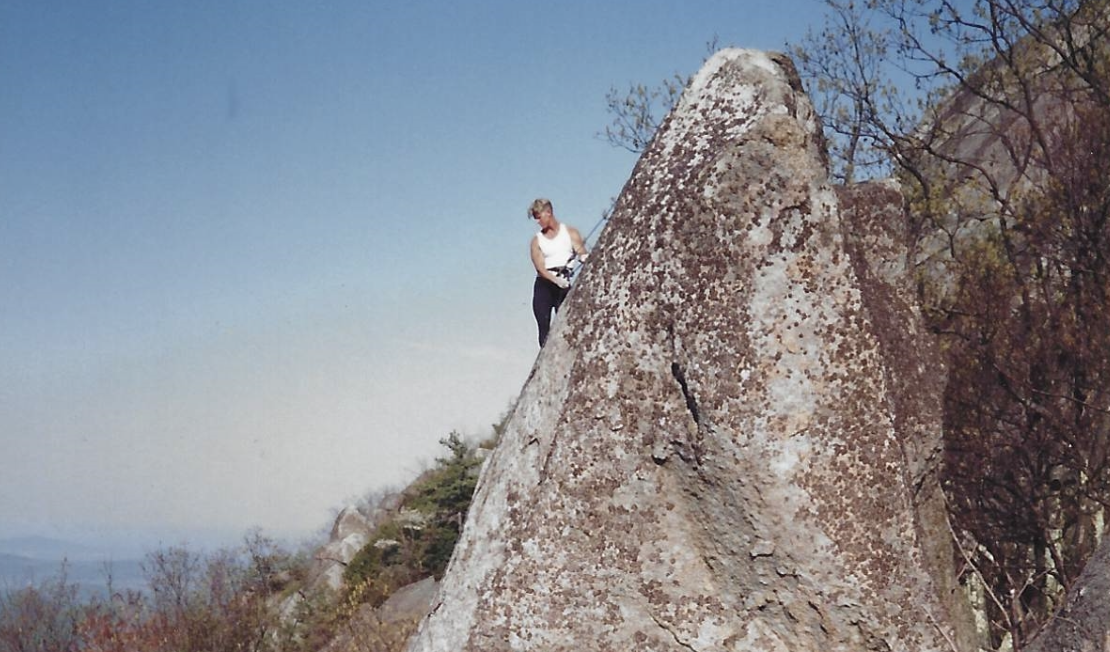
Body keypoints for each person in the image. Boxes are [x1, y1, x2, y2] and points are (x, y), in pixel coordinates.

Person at [528, 198, 588, 347]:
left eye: (538, 217)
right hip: (545, 284)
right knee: (544, 325)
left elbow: (581, 251)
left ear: (548, 213)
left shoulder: (570, 233)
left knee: (568, 321)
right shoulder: (537, 241)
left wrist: (583, 257)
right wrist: (555, 280)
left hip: (564, 281)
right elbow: (540, 268)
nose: (537, 221)